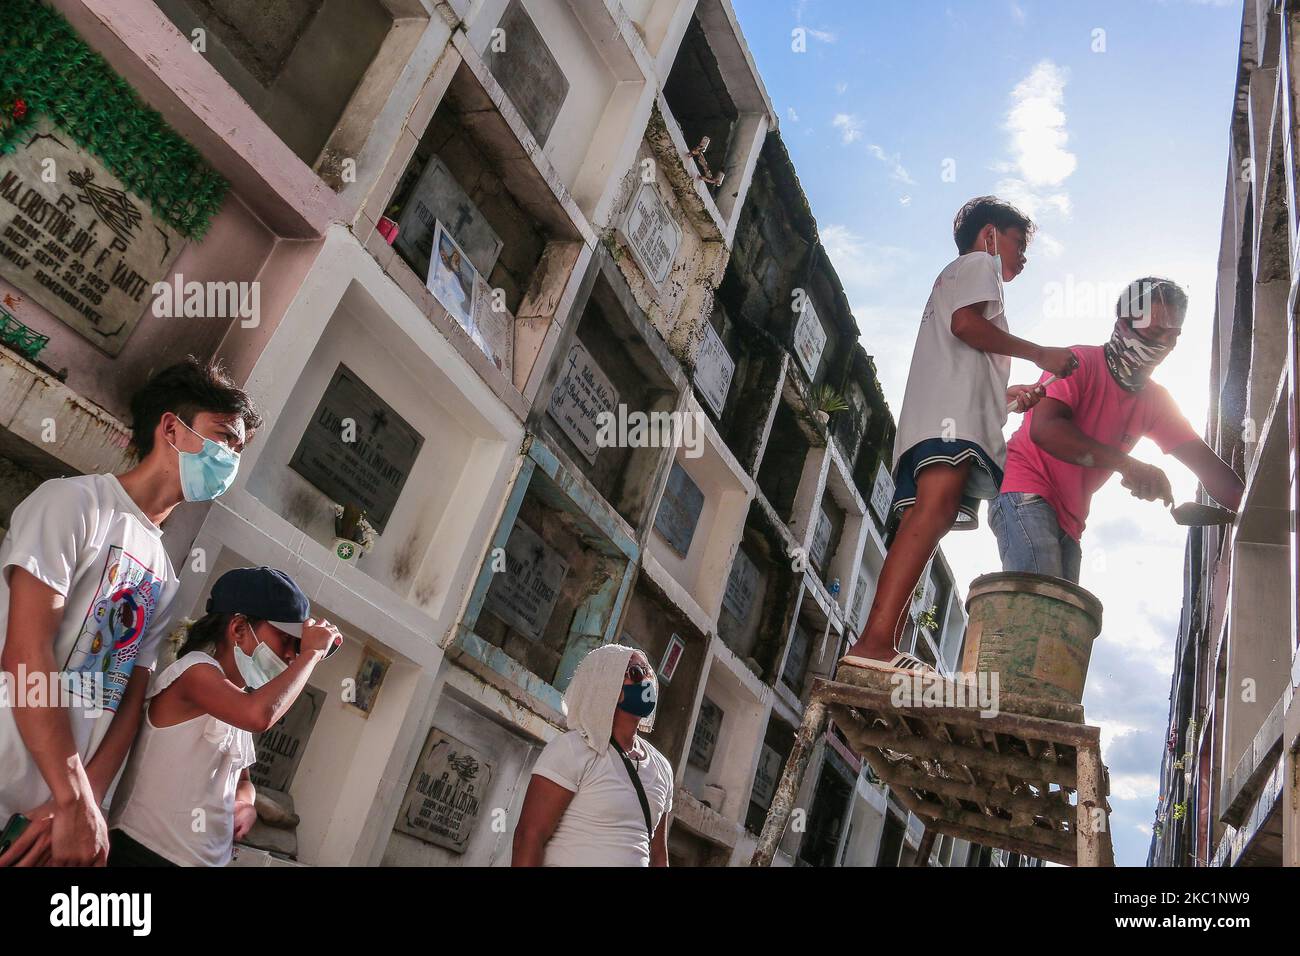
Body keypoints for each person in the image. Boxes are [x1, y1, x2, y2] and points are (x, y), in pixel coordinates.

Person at [0, 358, 261, 867]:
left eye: (238, 449)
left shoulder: (162, 569)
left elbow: (128, 698)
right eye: (223, 438)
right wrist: (71, 793)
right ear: (172, 429)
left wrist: (84, 805)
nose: (230, 457)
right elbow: (27, 654)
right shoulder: (74, 505)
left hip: (61, 824)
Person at [840, 197, 1078, 671]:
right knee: (932, 515)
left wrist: (1008, 395)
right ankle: (873, 644)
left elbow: (965, 364)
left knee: (927, 522)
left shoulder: (962, 275)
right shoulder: (978, 263)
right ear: (990, 234)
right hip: (944, 423)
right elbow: (966, 325)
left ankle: (879, 644)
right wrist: (1039, 354)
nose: (1023, 257)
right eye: (1019, 242)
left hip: (939, 419)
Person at [990, 278, 1243, 581]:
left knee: (1062, 620)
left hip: (1071, 519)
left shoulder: (1157, 402)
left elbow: (1208, 468)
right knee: (1041, 603)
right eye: (1154, 332)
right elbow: (1046, 432)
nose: (1163, 344)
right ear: (1124, 324)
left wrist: (1261, 508)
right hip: (1024, 490)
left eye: (1172, 336)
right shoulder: (1078, 363)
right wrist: (1127, 465)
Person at [105, 566, 342, 867]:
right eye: (287, 641)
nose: (292, 655)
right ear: (239, 629)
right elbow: (259, 716)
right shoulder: (195, 672)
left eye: (298, 647)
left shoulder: (237, 699)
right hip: (144, 853)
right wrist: (312, 654)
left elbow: (242, 780)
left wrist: (245, 803)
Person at [512, 644, 673, 866]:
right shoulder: (572, 749)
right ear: (606, 682)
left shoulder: (662, 767)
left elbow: (657, 854)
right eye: (636, 672)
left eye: (647, 672)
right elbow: (529, 837)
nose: (646, 681)